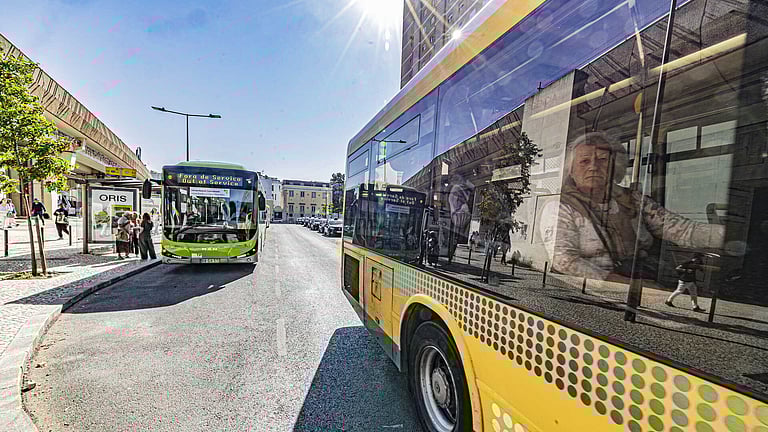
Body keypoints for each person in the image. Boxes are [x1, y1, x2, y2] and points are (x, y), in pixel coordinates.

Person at [548, 132, 724, 281]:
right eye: (584, 161)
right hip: (593, 293)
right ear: (571, 170)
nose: (594, 166)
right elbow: (565, 261)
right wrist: (625, 285)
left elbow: (681, 229)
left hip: (642, 281)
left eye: (602, 160)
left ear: (614, 167)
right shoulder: (560, 207)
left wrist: (729, 236)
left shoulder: (633, 200)